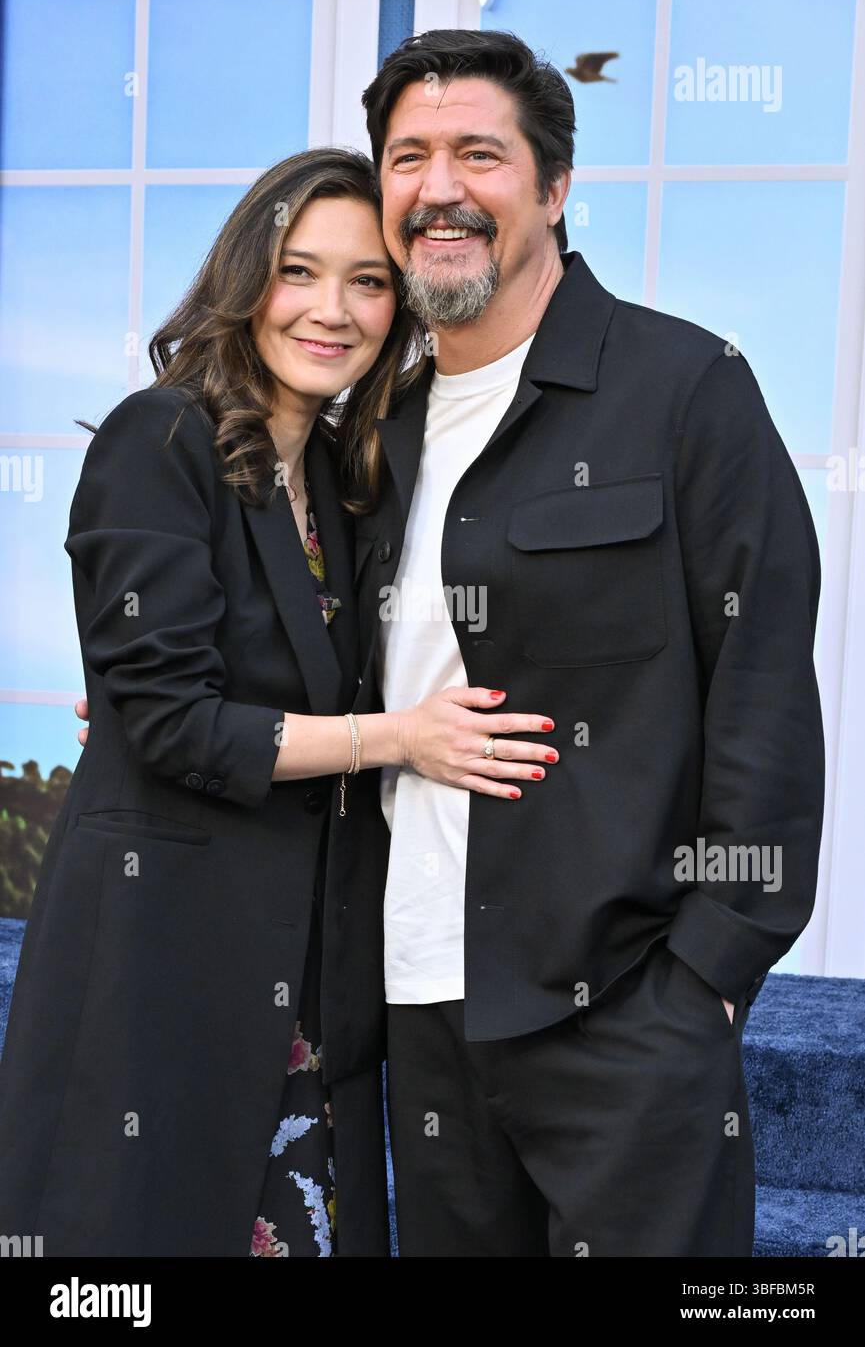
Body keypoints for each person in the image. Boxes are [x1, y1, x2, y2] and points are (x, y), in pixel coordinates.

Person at [0, 146, 556, 1258]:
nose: (331, 310)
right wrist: (399, 739)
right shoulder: (157, 440)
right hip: (167, 966)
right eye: (300, 271)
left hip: (311, 984)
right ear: (247, 276)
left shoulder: (349, 481)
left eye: (366, 281)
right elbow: (170, 722)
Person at [329, 28, 823, 1257]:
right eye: (407, 158)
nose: (438, 188)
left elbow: (760, 694)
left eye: (477, 155)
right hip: (417, 1003)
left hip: (627, 1014)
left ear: (552, 186)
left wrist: (705, 978)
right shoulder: (365, 429)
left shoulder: (684, 389)